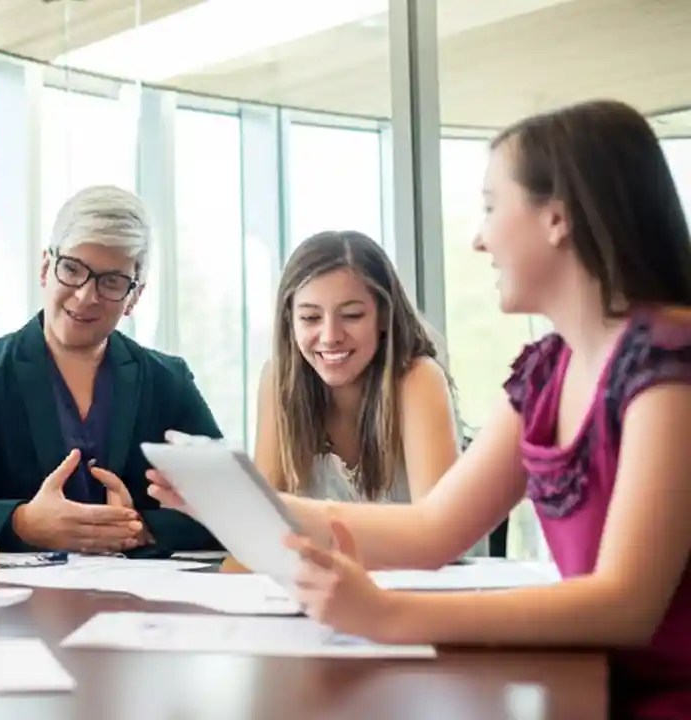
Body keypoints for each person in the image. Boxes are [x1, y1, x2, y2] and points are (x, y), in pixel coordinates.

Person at [149, 99, 691, 717]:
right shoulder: (548, 370)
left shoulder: (669, 363)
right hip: (594, 686)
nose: (479, 237)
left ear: (557, 219)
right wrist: (239, 501)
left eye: (490, 207)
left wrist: (387, 613)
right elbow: (434, 527)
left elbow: (625, 604)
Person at [0, 185, 221, 555]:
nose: (85, 295)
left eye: (111, 282)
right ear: (46, 268)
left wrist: (140, 527)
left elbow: (231, 509)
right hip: (14, 605)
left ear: (135, 296)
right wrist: (22, 523)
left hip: (138, 603)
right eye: (73, 269)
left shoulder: (168, 381)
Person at [257, 230, 458, 503]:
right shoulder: (277, 379)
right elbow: (263, 513)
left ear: (384, 316)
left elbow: (440, 534)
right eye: (310, 317)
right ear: (289, 320)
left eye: (352, 315)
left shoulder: (419, 379)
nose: (330, 336)